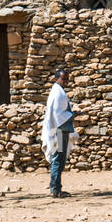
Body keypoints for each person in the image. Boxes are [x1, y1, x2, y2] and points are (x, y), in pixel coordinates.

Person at [41, 67, 78, 198]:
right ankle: (55, 189)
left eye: (67, 79)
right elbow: (58, 114)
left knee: (59, 160)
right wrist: (72, 114)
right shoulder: (58, 93)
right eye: (64, 78)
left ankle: (56, 187)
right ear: (57, 78)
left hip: (59, 130)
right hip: (59, 131)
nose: (66, 81)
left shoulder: (57, 91)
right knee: (58, 160)